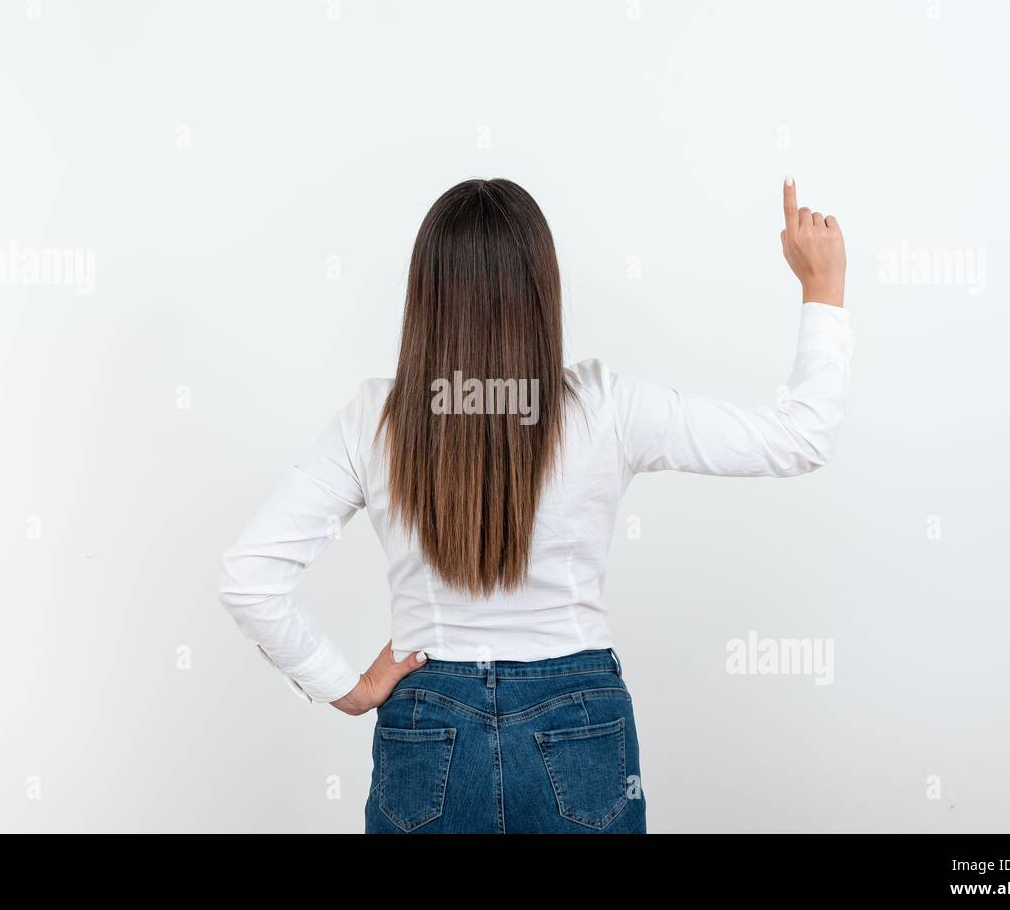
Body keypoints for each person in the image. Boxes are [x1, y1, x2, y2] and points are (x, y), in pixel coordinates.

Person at [219, 176, 852, 833]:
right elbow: (801, 438)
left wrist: (342, 685)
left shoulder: (376, 420)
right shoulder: (607, 409)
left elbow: (249, 577)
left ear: (426, 295)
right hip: (578, 728)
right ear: (541, 289)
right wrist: (823, 289)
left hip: (425, 731)